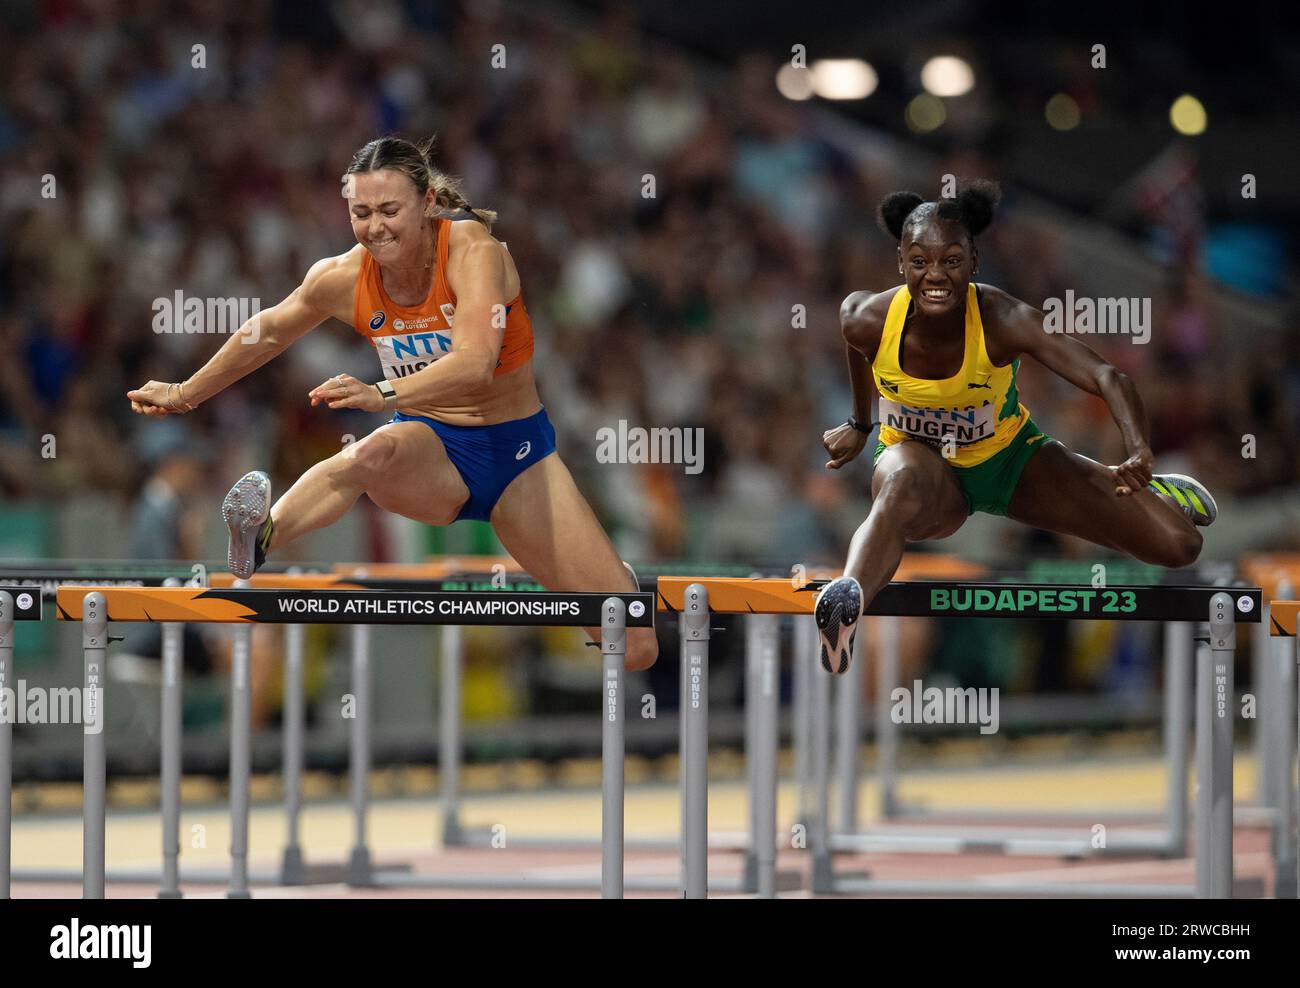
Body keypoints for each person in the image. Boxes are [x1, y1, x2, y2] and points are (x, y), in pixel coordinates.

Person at [126, 136, 656, 672]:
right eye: (360, 213)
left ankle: (618, 583)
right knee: (366, 456)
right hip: (431, 447)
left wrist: (380, 393)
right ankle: (260, 538)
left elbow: (475, 361)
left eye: (388, 210)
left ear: (427, 203)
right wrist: (185, 393)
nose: (374, 227)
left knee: (634, 645)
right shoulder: (342, 276)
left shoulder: (475, 252)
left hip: (519, 457)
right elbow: (265, 333)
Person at [815, 181, 1215, 675]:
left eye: (951, 261)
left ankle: (1156, 494)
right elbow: (859, 351)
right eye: (920, 262)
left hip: (1011, 462)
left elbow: (1107, 376)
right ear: (901, 264)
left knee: (1179, 547)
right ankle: (845, 604)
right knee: (901, 484)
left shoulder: (1004, 319)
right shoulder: (865, 317)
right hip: (923, 469)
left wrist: (1137, 450)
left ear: (974, 261)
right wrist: (861, 423)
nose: (935, 275)